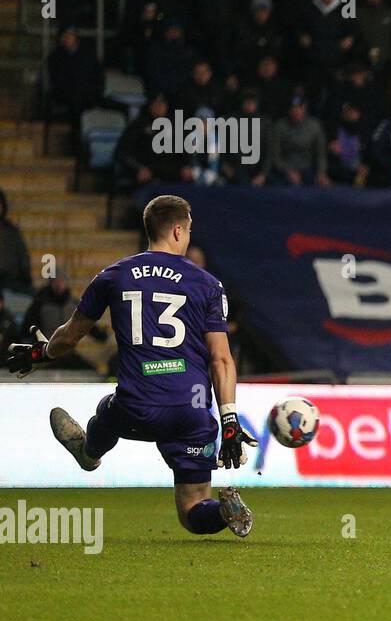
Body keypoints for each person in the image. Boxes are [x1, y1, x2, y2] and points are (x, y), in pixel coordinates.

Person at [4, 195, 256, 537]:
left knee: (107, 412)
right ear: (179, 231)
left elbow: (71, 335)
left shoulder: (113, 276)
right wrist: (229, 419)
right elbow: (221, 358)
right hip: (191, 411)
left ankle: (89, 452)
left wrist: (40, 354)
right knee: (193, 508)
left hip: (136, 405)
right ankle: (222, 512)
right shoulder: (207, 285)